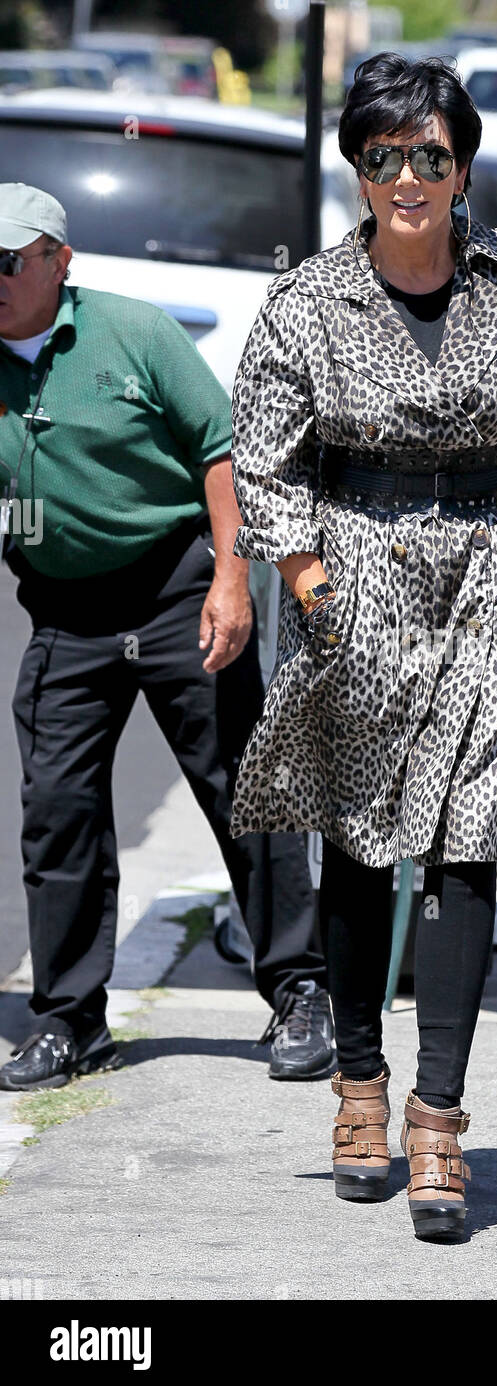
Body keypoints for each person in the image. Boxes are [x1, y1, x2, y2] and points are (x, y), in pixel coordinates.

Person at [229, 54, 497, 1242]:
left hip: (496, 564)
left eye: (429, 155)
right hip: (356, 561)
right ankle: (357, 1088)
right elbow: (268, 463)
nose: (406, 176)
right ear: (356, 167)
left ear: (461, 164)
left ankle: (438, 1122)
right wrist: (314, 587)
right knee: (357, 838)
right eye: (382, 155)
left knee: (462, 841)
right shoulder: (305, 302)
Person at [0, 183, 333, 1091]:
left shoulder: (131, 333)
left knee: (244, 794)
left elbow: (219, 448)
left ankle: (302, 993)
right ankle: (69, 1019)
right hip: (67, 611)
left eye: (7, 262)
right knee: (57, 812)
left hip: (176, 587)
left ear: (58, 263)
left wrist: (233, 579)